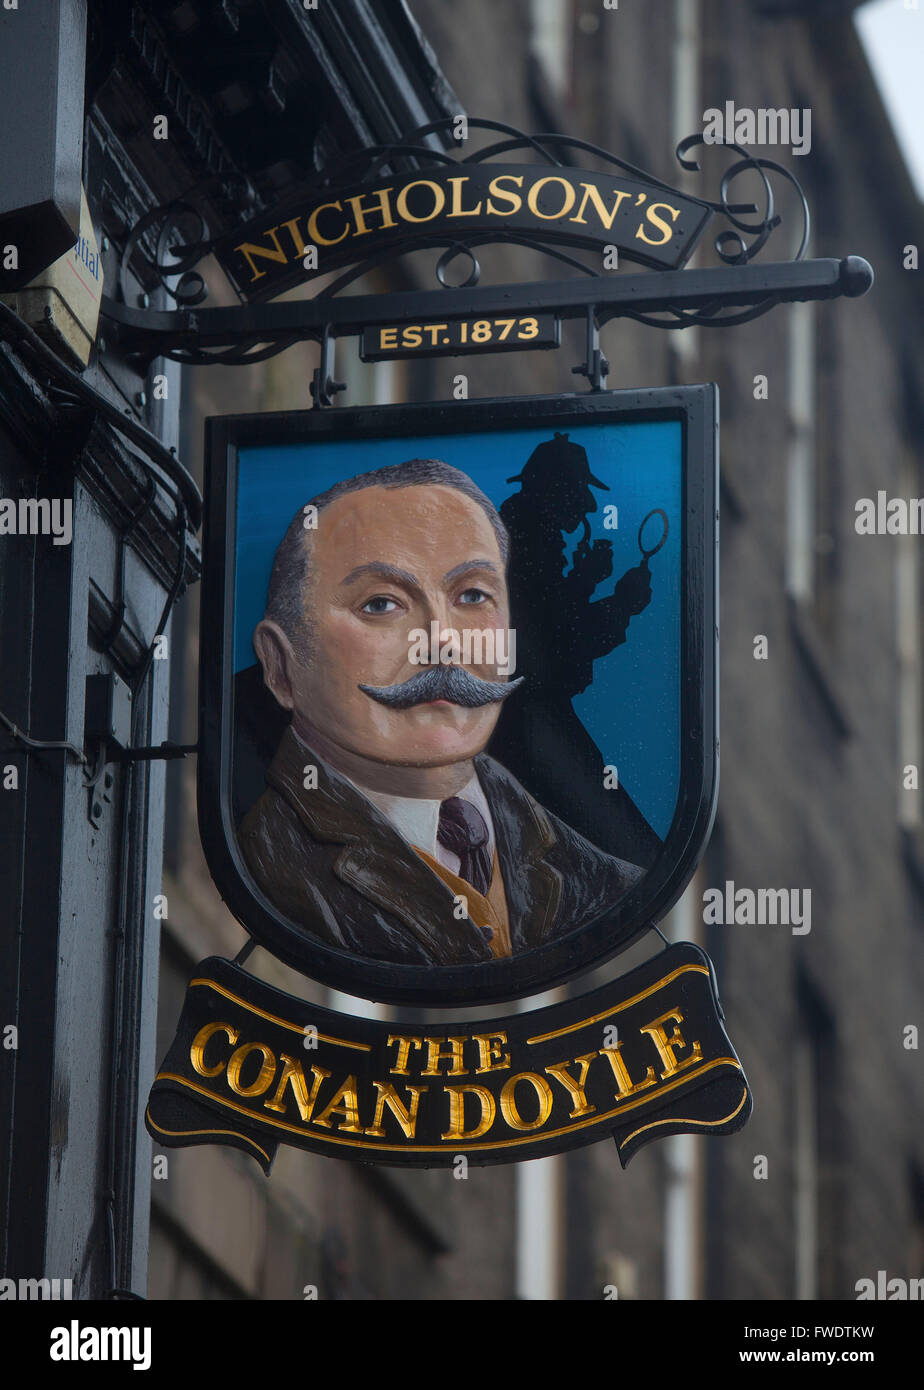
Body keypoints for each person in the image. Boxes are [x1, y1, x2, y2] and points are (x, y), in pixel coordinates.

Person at [236, 457, 644, 967]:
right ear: (280, 666)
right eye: (381, 604)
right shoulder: (264, 862)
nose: (443, 642)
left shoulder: (604, 879)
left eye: (473, 596)